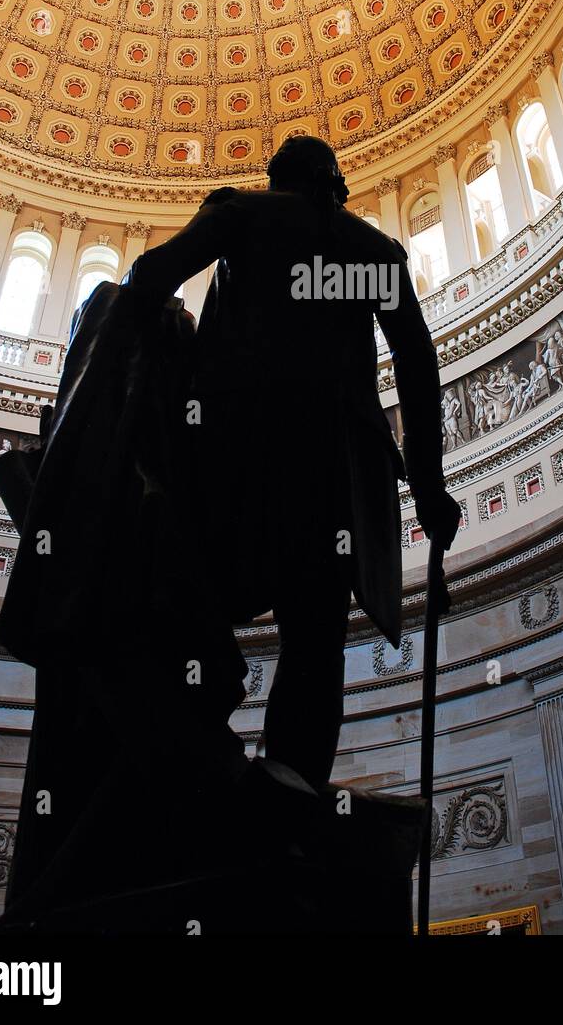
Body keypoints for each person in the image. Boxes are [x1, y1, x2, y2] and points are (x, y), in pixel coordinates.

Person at [126, 135, 460, 789]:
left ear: (276, 179)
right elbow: (418, 369)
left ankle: (189, 754)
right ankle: (291, 790)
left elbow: (148, 278)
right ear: (331, 188)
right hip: (330, 473)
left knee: (194, 606)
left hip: (231, 460)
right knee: (314, 646)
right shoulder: (367, 248)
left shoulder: (237, 215)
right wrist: (428, 488)